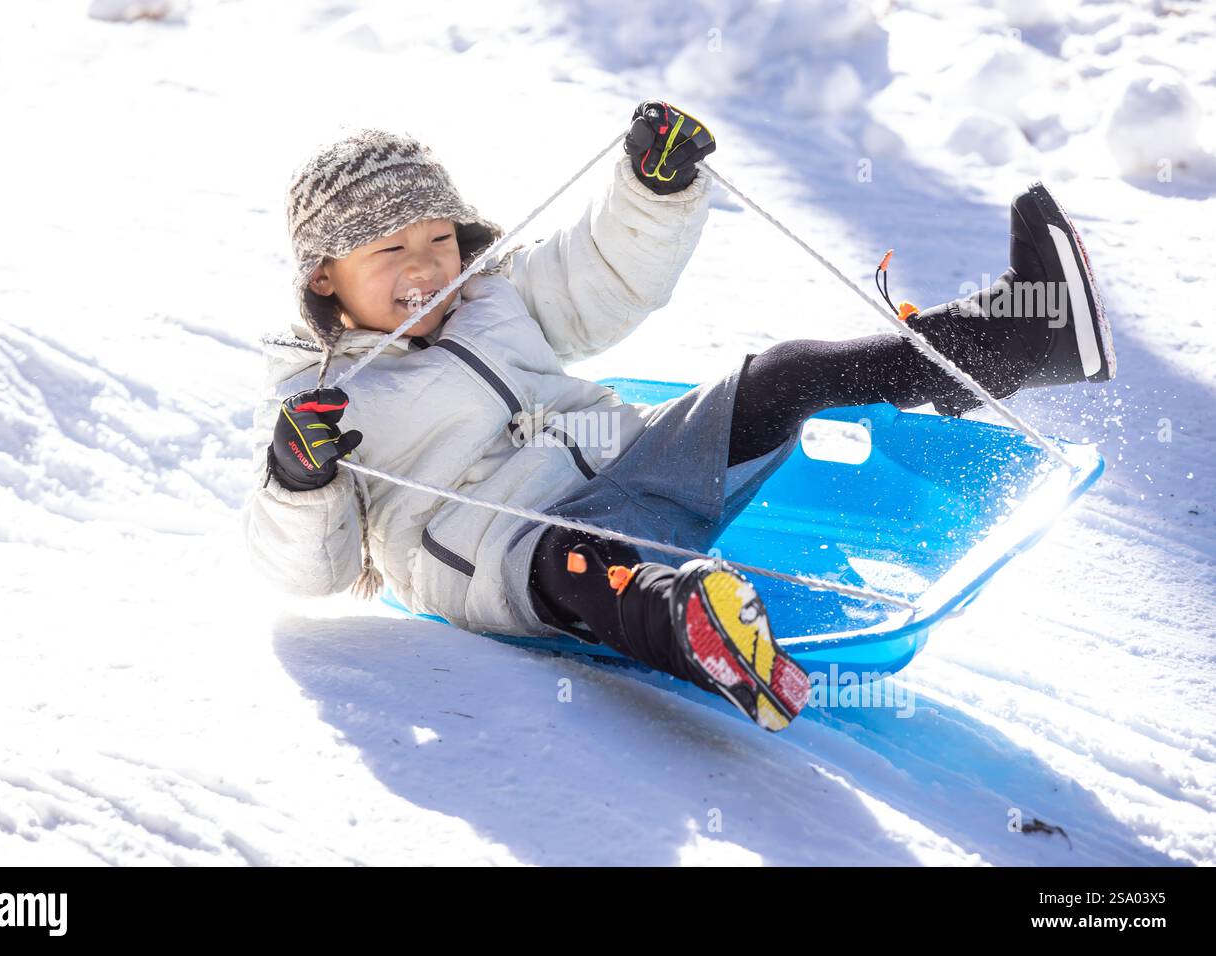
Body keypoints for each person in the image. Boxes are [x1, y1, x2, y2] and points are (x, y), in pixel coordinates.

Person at [242, 101, 1114, 734]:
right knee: (586, 568)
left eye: (438, 239)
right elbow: (305, 571)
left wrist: (651, 194)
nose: (427, 268)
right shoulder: (318, 398)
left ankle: (1016, 340)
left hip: (635, 459)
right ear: (325, 275)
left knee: (785, 374)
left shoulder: (490, 296)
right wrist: (299, 481)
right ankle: (700, 627)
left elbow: (598, 275)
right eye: (390, 251)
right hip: (500, 547)